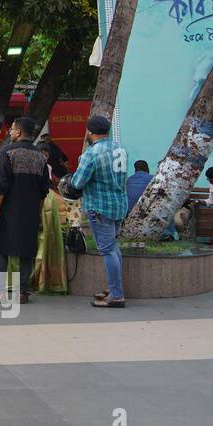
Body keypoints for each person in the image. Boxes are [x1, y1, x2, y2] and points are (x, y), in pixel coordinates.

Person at [0, 118, 50, 304]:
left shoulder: (8, 152)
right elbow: (43, 189)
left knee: (2, 249)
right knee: (27, 251)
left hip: (9, 208)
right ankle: (23, 291)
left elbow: (3, 184)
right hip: (31, 209)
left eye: (12, 129)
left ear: (18, 132)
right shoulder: (40, 156)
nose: (10, 132)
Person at [70, 114, 128, 308]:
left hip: (100, 206)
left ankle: (117, 295)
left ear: (90, 132)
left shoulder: (92, 153)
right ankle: (114, 289)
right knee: (113, 247)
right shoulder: (120, 148)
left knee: (107, 250)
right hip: (119, 205)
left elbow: (78, 181)